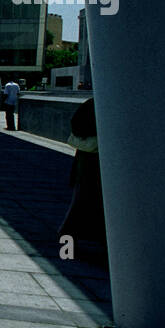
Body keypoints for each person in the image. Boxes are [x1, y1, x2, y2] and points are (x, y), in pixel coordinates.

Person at [58, 97, 106, 243]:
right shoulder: (97, 104)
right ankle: (68, 246)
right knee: (81, 203)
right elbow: (78, 125)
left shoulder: (94, 102)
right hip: (91, 161)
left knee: (82, 202)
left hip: (90, 159)